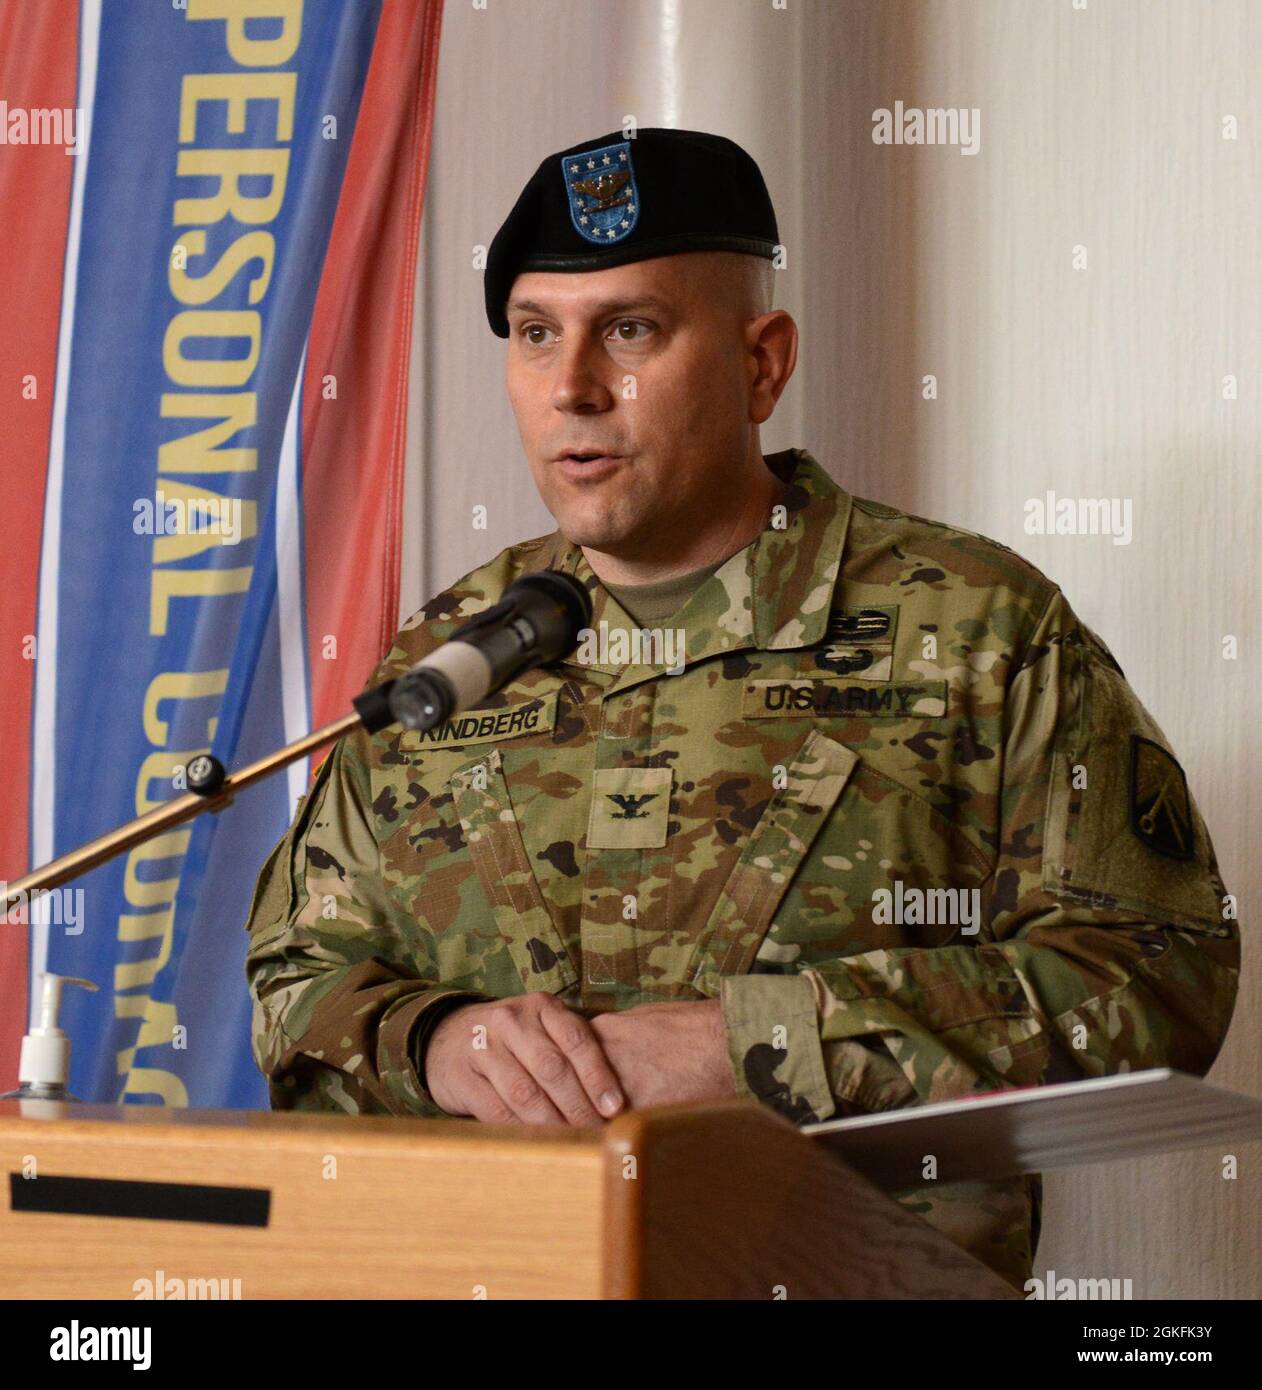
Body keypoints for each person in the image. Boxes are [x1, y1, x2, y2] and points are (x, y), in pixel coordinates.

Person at [244, 128, 1239, 1289]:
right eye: (532, 335)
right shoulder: (455, 651)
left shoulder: (973, 630)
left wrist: (762, 1042)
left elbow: (1160, 971)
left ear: (760, 363)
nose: (570, 386)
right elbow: (296, 974)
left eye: (629, 331)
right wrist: (436, 1042)